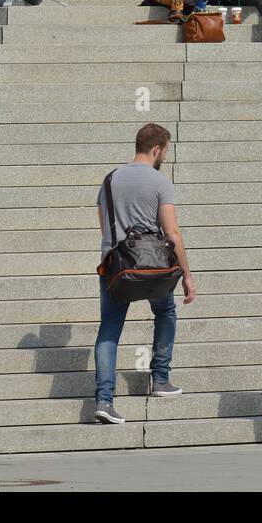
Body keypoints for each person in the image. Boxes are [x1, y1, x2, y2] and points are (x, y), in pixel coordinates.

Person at [94, 123, 195, 424]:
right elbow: (172, 233)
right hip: (152, 267)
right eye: (166, 150)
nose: (165, 155)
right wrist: (187, 275)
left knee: (109, 330)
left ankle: (103, 400)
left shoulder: (109, 181)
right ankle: (160, 378)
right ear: (156, 149)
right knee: (166, 312)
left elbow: (105, 227)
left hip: (116, 267)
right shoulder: (159, 181)